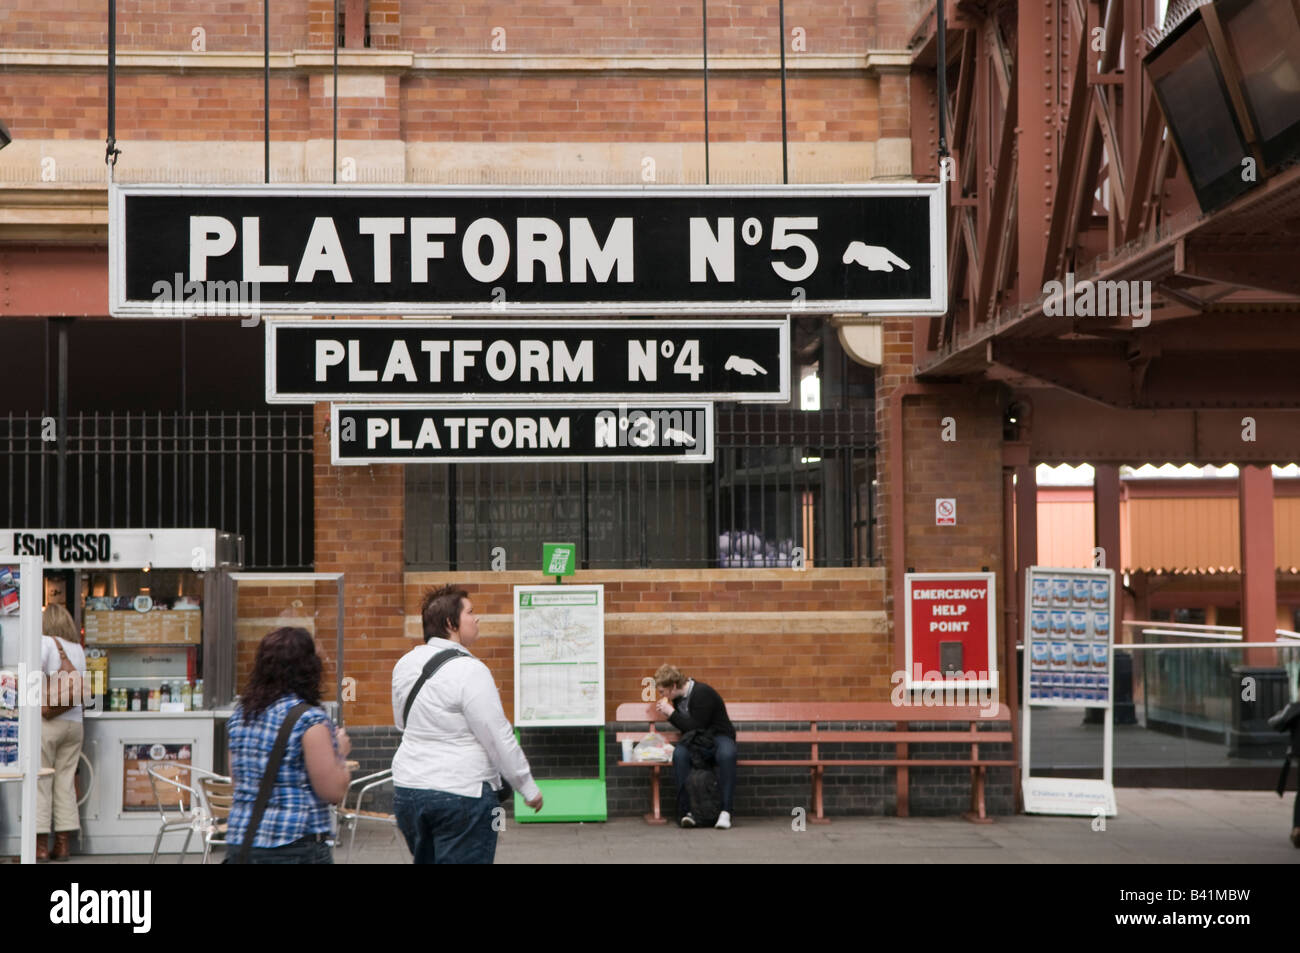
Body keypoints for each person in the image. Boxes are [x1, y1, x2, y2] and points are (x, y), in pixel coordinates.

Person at [391, 584, 542, 864]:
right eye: (470, 612)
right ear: (451, 623)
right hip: (462, 793)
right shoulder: (471, 671)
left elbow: (402, 723)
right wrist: (527, 786)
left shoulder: (404, 664)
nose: (477, 618)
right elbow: (496, 736)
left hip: (408, 791)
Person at [224, 627, 351, 864]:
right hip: (295, 845)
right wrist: (340, 753)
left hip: (243, 842)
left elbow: (239, 781)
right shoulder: (308, 721)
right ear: (308, 669)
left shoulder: (241, 716)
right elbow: (332, 792)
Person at [654, 663, 737, 829]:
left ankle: (725, 812)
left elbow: (695, 726)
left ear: (674, 686)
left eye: (663, 691)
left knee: (727, 754)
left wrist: (671, 714)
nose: (661, 695)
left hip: (718, 736)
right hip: (697, 739)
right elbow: (691, 729)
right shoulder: (677, 698)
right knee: (679, 755)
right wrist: (673, 713)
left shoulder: (702, 693)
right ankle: (687, 812)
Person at [37, 604, 87, 862]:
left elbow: (33, 677)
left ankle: (40, 847)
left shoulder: (44, 642)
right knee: (66, 782)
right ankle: (64, 846)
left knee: (41, 782)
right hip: (74, 723)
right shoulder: (77, 649)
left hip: (48, 721)